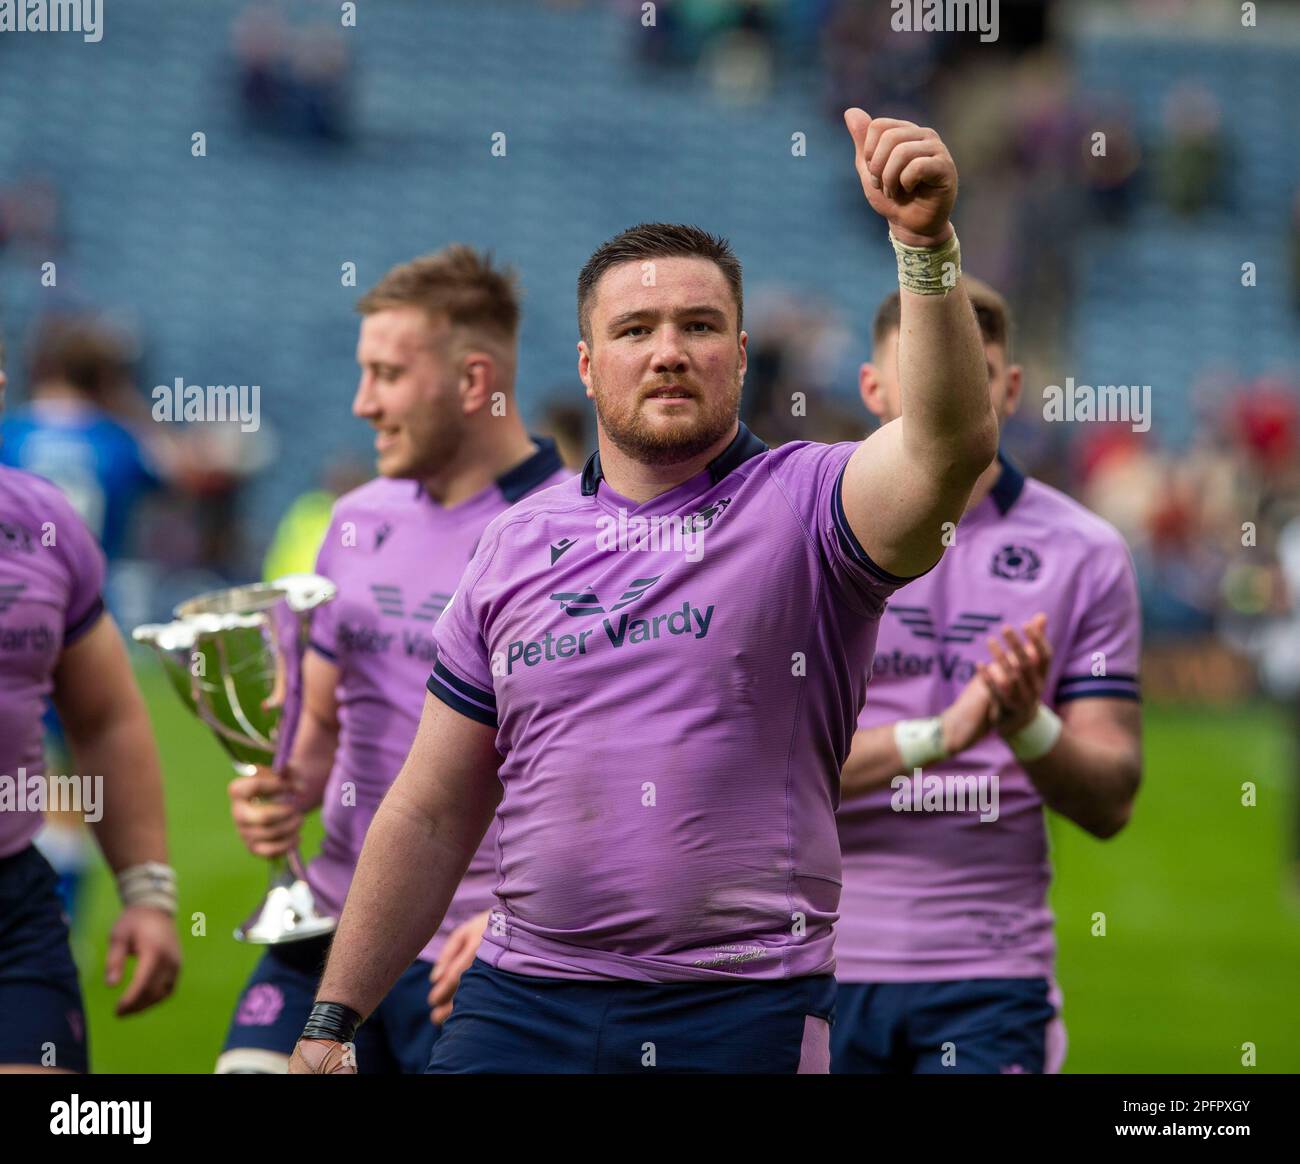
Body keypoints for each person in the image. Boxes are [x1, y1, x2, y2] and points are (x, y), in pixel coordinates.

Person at [288, 112, 999, 1074]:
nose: (669, 350)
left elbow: (947, 445)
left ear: (741, 357)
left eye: (700, 327)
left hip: (739, 1005)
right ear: (588, 367)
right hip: (520, 998)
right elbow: (430, 808)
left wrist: (924, 249)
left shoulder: (810, 504)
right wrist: (335, 1020)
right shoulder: (514, 546)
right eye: (636, 330)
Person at [217, 246, 569, 1073]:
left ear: (474, 380)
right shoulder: (353, 520)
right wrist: (286, 789)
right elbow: (320, 722)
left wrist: (535, 915)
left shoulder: (576, 537)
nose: (361, 403)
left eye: (386, 374)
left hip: (483, 957)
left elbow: (611, 774)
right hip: (335, 928)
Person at [832, 279, 1143, 1074]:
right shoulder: (808, 537)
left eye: (973, 367)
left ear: (1009, 387)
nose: (952, 388)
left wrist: (1024, 723)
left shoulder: (1084, 550)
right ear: (872, 388)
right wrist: (939, 736)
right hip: (811, 962)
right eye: (927, 365)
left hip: (990, 975)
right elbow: (747, 775)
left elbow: (1111, 798)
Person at [0, 340, 181, 1073]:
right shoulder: (115, 438)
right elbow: (173, 468)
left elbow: (105, 713)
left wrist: (148, 890)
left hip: (11, 904)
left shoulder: (40, 518)